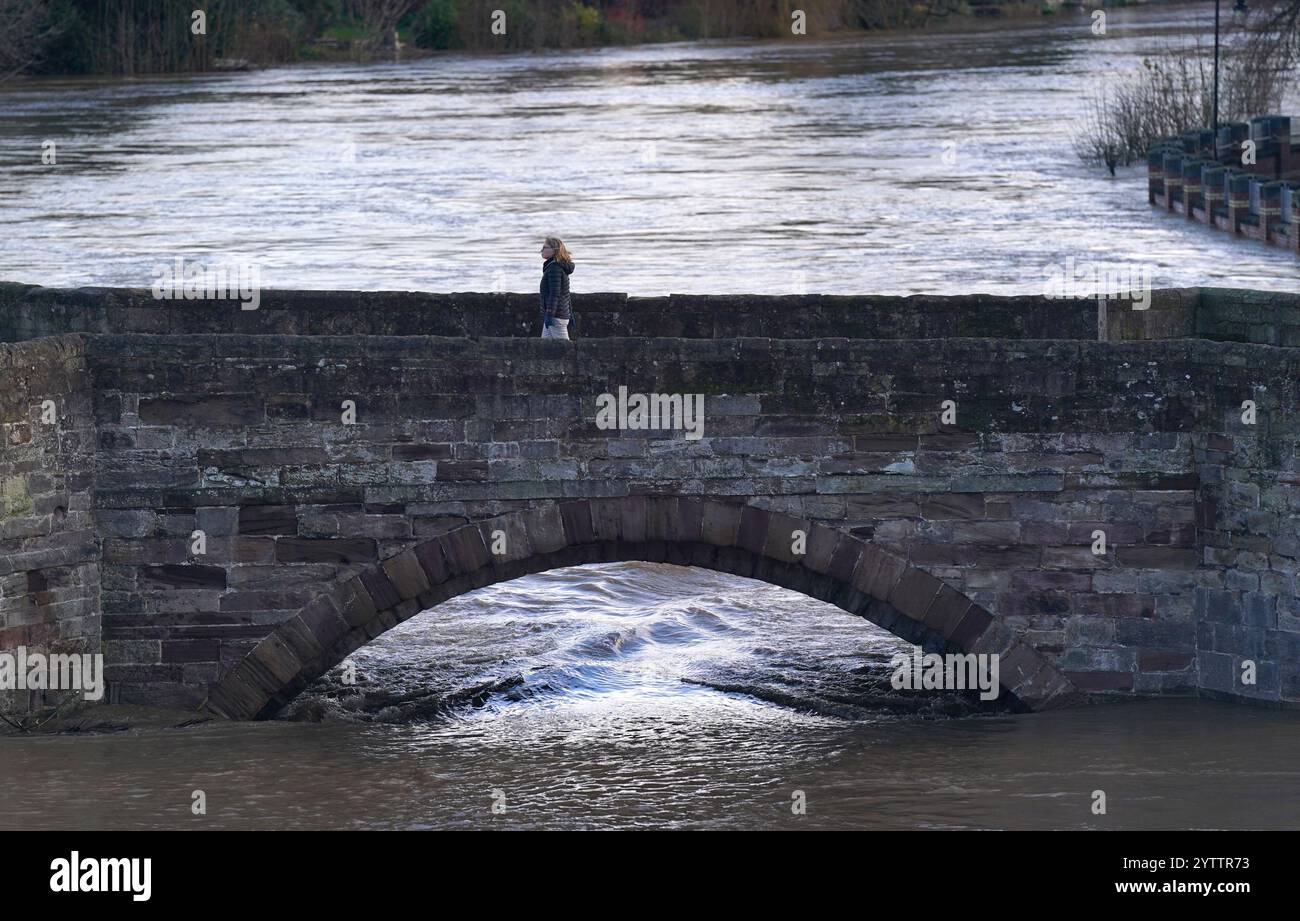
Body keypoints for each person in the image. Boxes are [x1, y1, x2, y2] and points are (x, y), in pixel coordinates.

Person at [539, 236, 575, 339]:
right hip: (556, 314)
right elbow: (566, 293)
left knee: (564, 348)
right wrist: (570, 313)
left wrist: (550, 315)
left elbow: (555, 293)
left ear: (554, 250)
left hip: (556, 316)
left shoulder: (554, 268)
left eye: (544, 247)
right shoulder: (554, 266)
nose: (541, 250)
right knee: (545, 348)